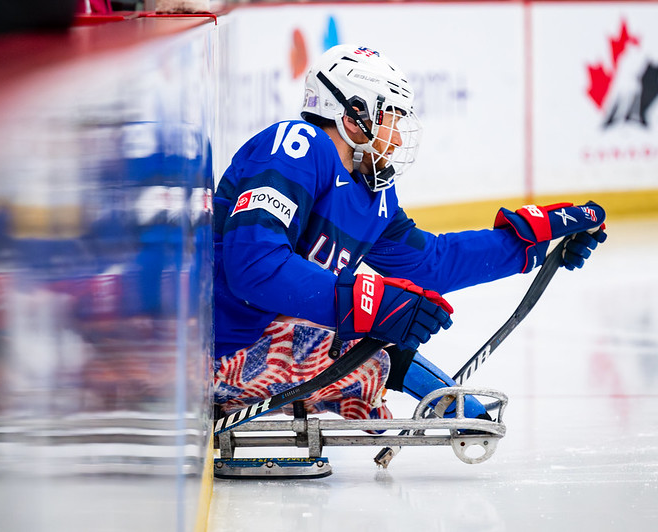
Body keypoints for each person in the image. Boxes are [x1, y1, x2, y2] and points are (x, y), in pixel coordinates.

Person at [212, 44, 607, 425]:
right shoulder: (296, 147)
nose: (398, 138)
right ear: (354, 115)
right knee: (374, 353)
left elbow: (430, 264)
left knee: (375, 341)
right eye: (391, 120)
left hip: (251, 342)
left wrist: (528, 241)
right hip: (210, 350)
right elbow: (253, 266)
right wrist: (368, 303)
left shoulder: (372, 191)